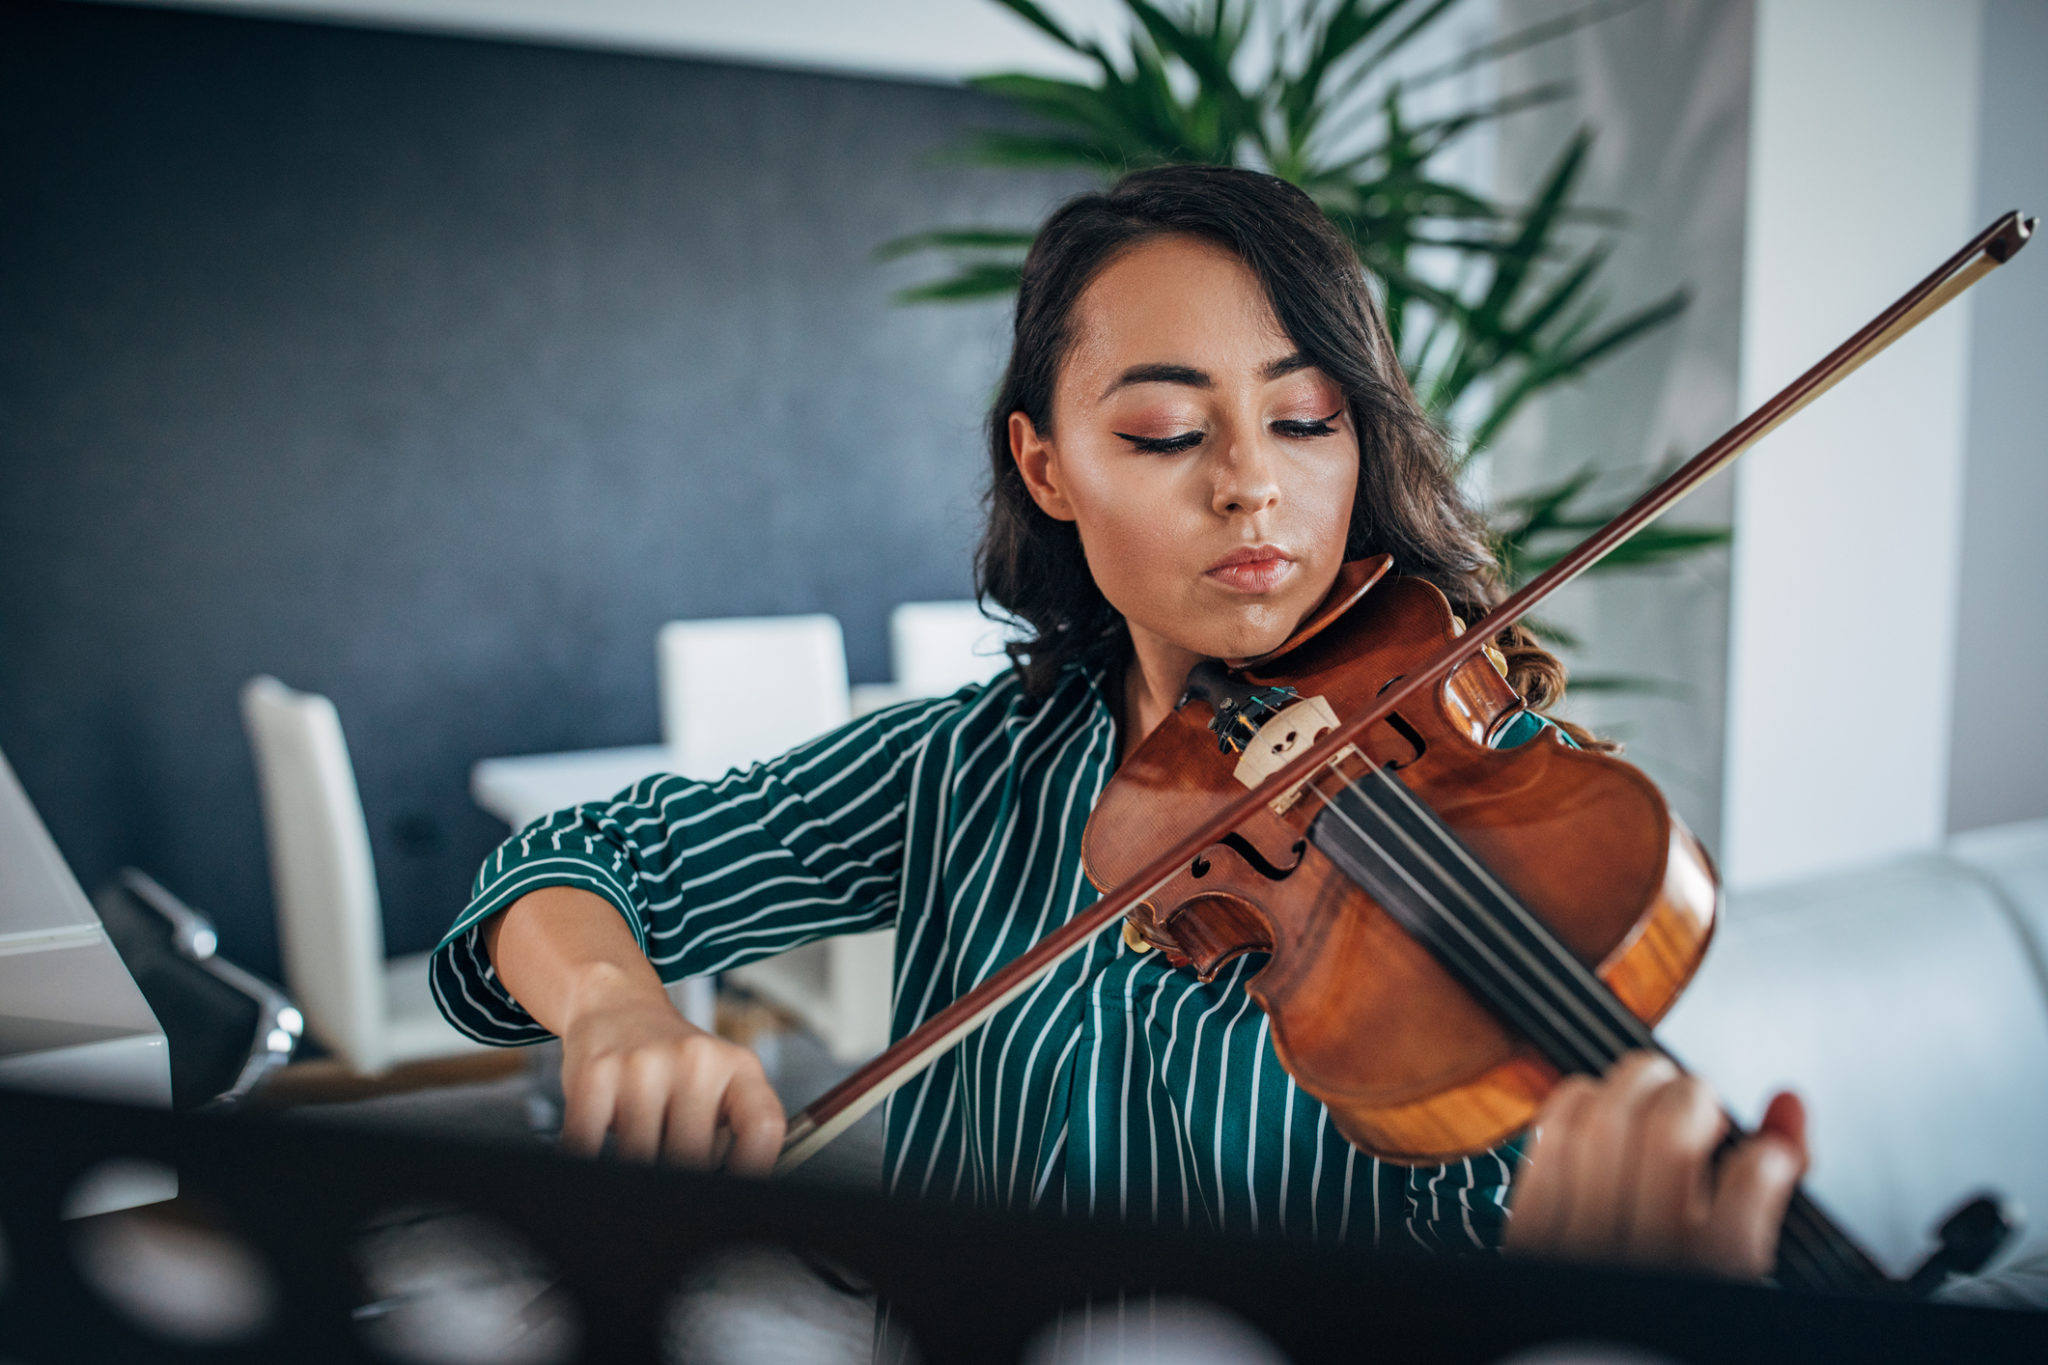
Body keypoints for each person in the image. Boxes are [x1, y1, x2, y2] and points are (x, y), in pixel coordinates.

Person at [430, 164, 1805, 1278]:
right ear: (1048, 465)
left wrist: (1572, 1278)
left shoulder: (1488, 806)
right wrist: (615, 1007)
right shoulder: (965, 767)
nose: (1252, 486)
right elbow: (562, 868)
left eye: (1308, 419)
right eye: (1162, 431)